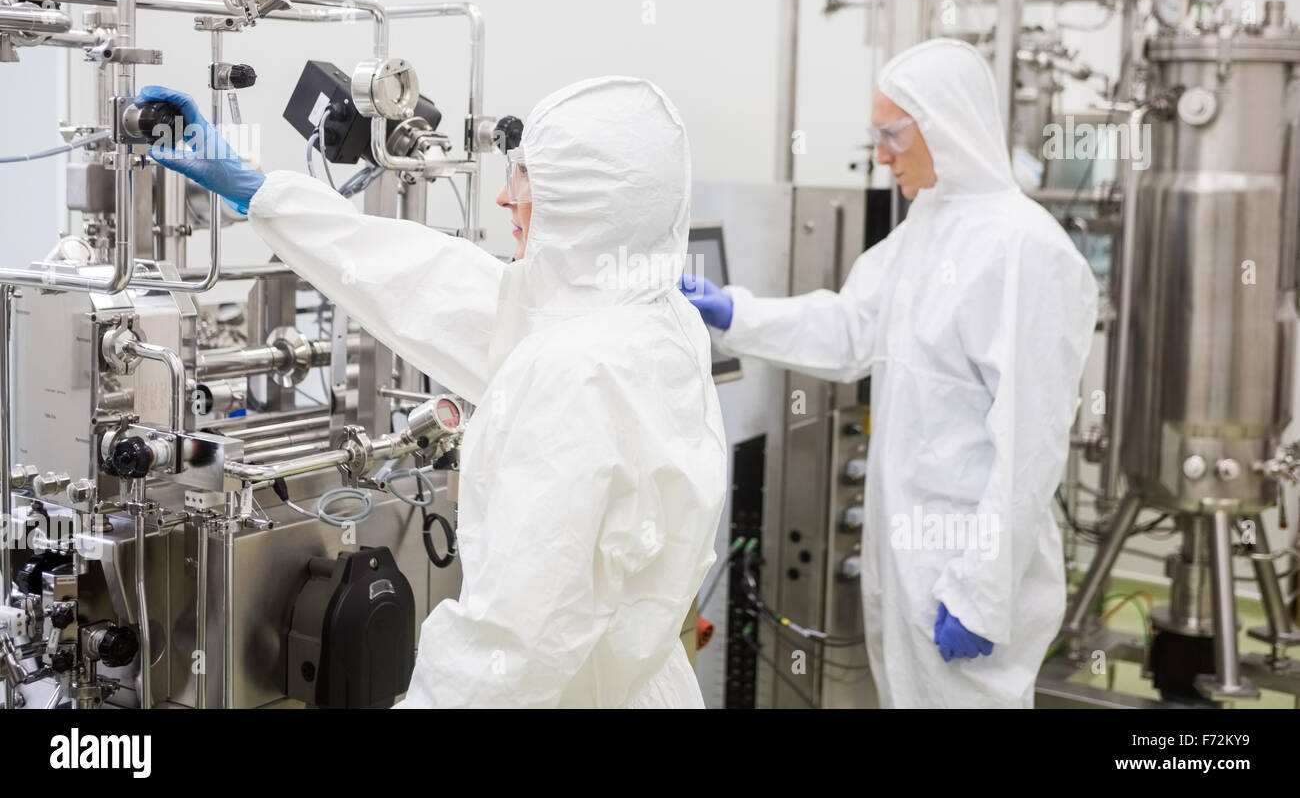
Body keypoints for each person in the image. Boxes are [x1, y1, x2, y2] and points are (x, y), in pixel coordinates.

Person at [138, 76, 726, 707]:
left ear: (584, 204)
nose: (504, 199)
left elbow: (508, 648)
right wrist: (259, 191)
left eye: (526, 178)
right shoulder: (654, 320)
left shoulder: (572, 371)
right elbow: (428, 279)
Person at [682, 39, 1097, 708]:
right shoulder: (926, 226)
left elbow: (1031, 444)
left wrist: (982, 596)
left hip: (964, 569)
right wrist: (733, 313)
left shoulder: (1023, 249)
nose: (880, 155)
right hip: (907, 561)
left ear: (947, 127)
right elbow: (852, 331)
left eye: (892, 135)